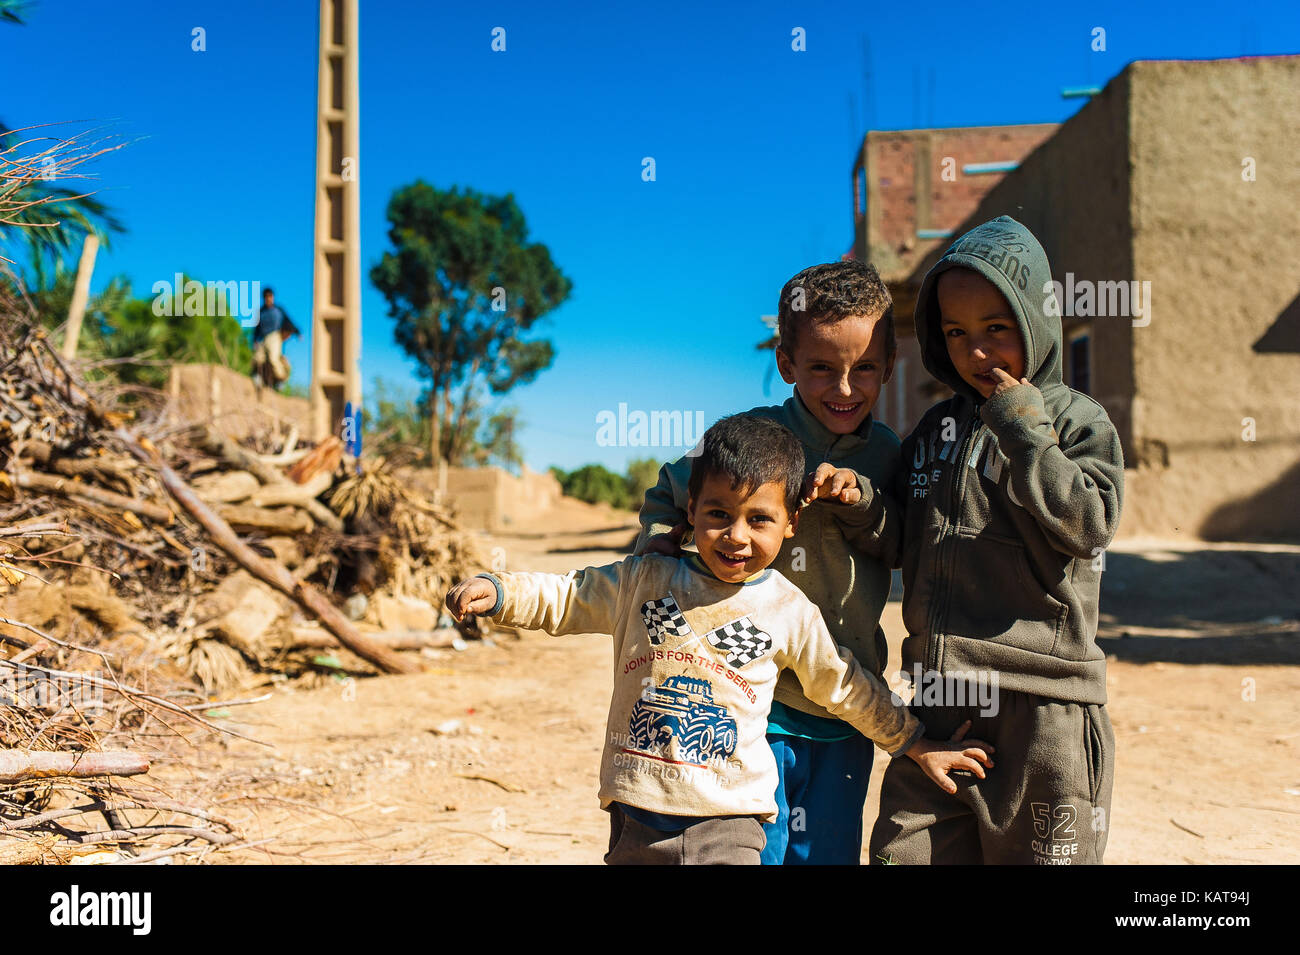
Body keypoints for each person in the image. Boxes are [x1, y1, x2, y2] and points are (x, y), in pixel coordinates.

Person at [445, 414, 994, 865]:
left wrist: (914, 741)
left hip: (729, 824)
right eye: (718, 514)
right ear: (690, 511)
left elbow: (844, 685)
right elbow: (566, 596)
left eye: (759, 519)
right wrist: (499, 591)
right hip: (638, 814)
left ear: (790, 522)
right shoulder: (646, 580)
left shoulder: (786, 610)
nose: (735, 536)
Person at [829, 216, 1124, 864]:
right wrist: (862, 507)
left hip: (1041, 708)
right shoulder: (938, 427)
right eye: (956, 333)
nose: (977, 353)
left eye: (996, 328)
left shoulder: (1075, 421)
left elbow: (1088, 522)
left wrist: (1026, 433)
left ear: (1035, 319)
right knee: (901, 852)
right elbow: (903, 535)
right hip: (941, 699)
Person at [634, 261, 903, 864]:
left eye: (864, 370)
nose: (844, 389)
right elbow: (668, 494)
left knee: (829, 851)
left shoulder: (888, 453)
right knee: (760, 848)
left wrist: (861, 500)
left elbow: (900, 543)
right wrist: (657, 542)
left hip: (846, 697)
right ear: (786, 365)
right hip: (753, 699)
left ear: (888, 366)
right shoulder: (751, 439)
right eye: (821, 369)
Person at [251, 286, 299, 389]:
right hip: (263, 338)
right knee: (258, 358)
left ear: (272, 297)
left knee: (273, 358)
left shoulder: (278, 310)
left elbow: (288, 321)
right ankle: (258, 377)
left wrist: (297, 332)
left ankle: (281, 379)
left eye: (270, 296)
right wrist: (254, 340)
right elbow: (257, 328)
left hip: (275, 336)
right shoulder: (261, 312)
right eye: (266, 297)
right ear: (264, 298)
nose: (268, 299)